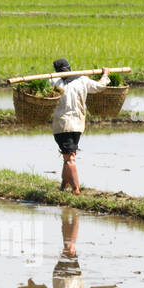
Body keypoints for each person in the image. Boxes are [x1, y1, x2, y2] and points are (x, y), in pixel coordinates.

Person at [50, 59, 110, 193]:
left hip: (62, 125)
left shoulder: (53, 81)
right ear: (69, 68)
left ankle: (76, 189)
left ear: (56, 70)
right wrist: (105, 74)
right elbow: (100, 86)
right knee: (69, 155)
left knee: (69, 158)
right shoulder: (83, 80)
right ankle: (64, 184)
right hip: (78, 125)